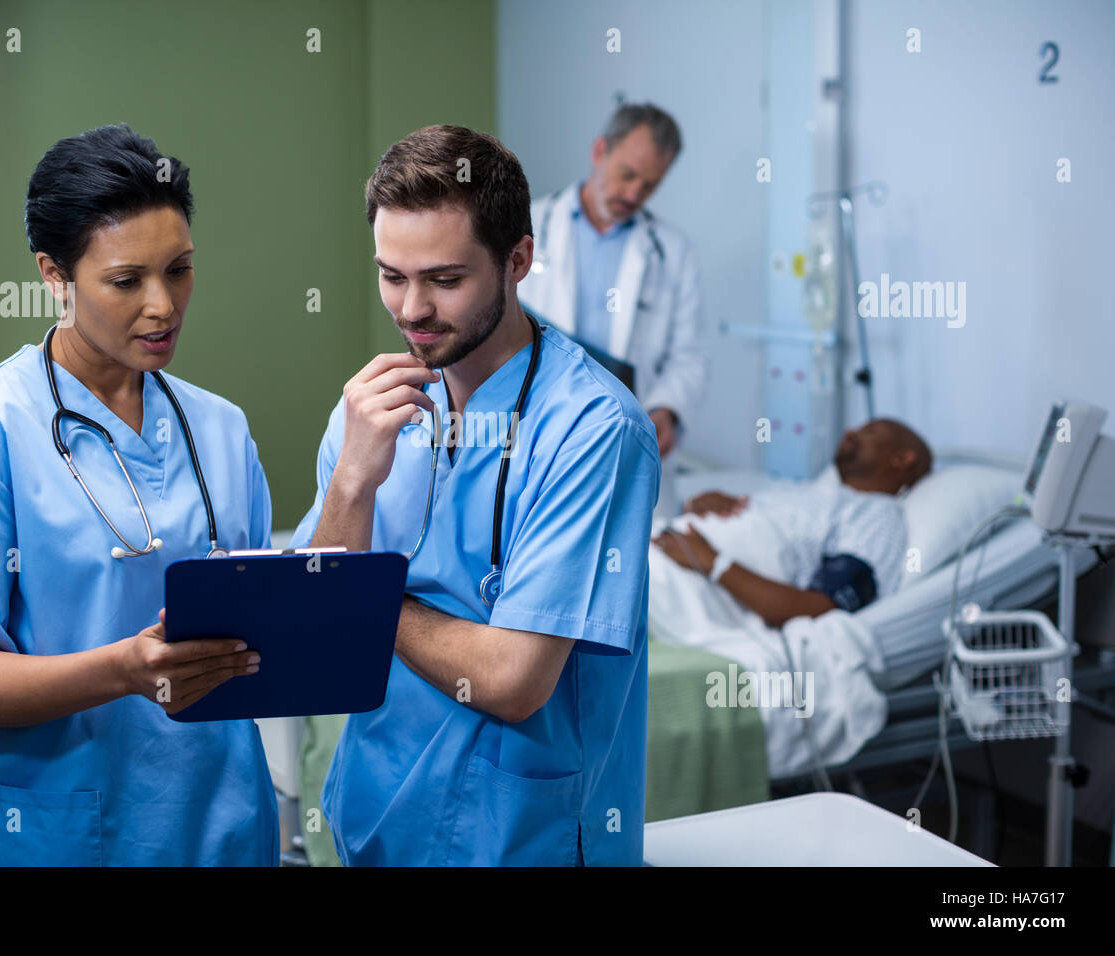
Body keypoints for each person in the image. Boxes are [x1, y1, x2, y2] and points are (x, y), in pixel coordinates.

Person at [0, 124, 278, 866]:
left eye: (179, 269)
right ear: (54, 276)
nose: (163, 305)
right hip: (62, 828)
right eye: (126, 280)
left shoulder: (220, 429)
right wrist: (123, 671)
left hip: (220, 813)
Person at [291, 125, 659, 866]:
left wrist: (359, 593)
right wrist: (354, 480)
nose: (412, 309)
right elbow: (314, 639)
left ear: (517, 260)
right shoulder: (367, 413)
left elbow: (510, 679)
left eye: (445, 279)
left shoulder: (593, 428)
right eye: (392, 276)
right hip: (376, 821)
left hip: (524, 837)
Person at [517, 102, 705, 463]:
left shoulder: (673, 252)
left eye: (650, 185)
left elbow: (690, 357)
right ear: (600, 150)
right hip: (537, 431)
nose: (634, 194)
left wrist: (668, 409)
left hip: (625, 439)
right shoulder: (529, 225)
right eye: (627, 174)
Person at [652, 419, 932, 626]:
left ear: (902, 458)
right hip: (666, 551)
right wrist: (695, 506)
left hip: (689, 582)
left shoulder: (879, 516)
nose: (850, 432)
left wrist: (712, 561)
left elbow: (819, 608)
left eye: (869, 431)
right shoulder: (810, 493)